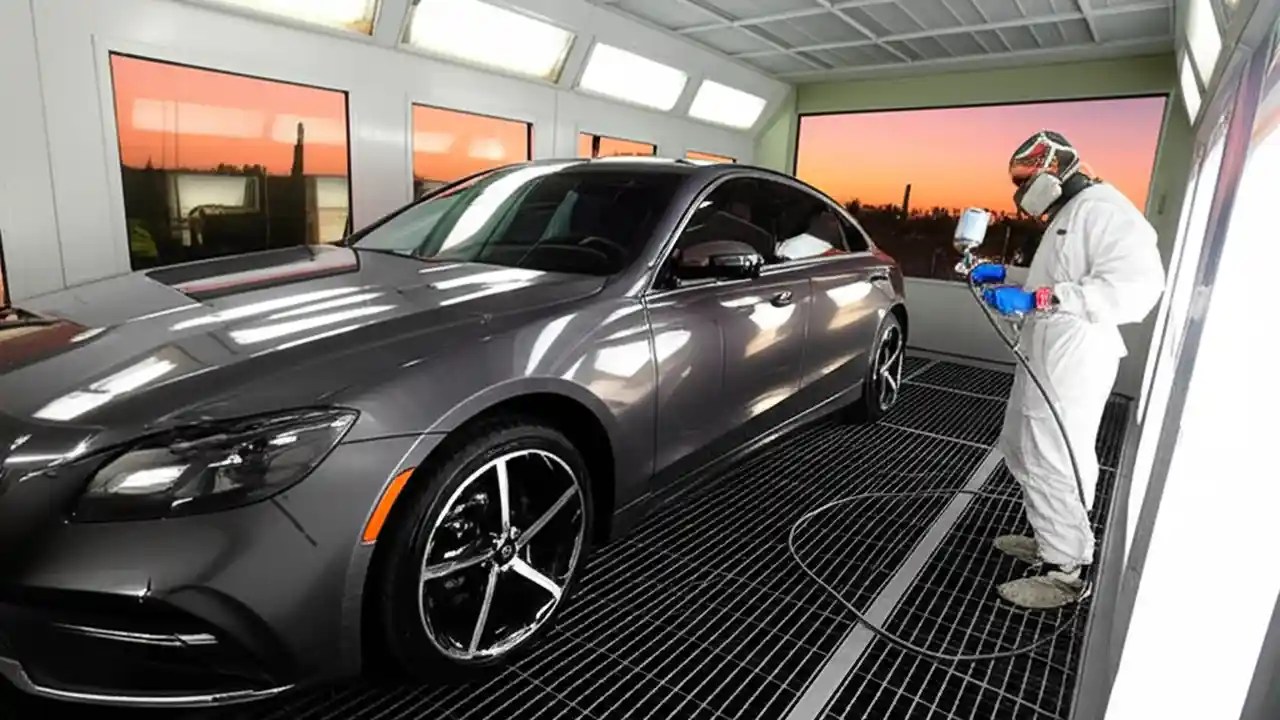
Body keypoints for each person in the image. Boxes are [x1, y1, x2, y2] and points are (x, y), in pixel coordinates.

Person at [969, 130, 1166, 610]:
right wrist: (1009, 278)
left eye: (1025, 178)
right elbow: (1057, 282)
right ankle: (1048, 536)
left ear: (1054, 169)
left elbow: (1138, 288)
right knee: (1023, 445)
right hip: (1047, 351)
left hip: (1075, 355)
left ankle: (1064, 571)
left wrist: (1041, 298)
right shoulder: (1071, 215)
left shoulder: (1103, 210)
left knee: (1053, 455)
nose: (1020, 190)